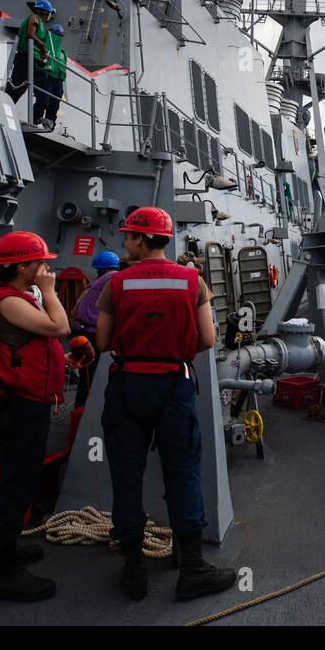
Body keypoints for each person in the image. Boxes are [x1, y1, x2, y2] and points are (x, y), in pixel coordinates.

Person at [95, 206, 235, 601]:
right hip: (174, 384)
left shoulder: (116, 283)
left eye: (128, 237)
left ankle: (135, 571)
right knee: (182, 473)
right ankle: (191, 569)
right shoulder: (194, 281)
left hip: (127, 387)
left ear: (142, 240)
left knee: (126, 475)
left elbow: (103, 343)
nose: (125, 242)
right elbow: (207, 340)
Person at [0, 231, 69, 602]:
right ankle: (6, 574)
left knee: (16, 478)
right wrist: (50, 290)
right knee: (18, 483)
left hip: (26, 400)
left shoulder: (14, 299)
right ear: (20, 266)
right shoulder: (8, 301)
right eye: (39, 262)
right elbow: (59, 327)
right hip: (19, 404)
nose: (46, 267)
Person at [71, 250, 119, 408]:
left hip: (81, 331)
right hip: (91, 334)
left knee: (86, 378)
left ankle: (79, 412)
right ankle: (83, 414)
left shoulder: (94, 283)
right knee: (91, 378)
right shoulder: (111, 278)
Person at [6, 0, 54, 109]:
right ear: (46, 12)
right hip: (24, 57)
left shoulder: (41, 24)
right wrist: (42, 47)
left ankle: (8, 106)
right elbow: (30, 34)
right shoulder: (35, 18)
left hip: (32, 59)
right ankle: (4, 105)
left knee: (23, 86)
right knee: (17, 85)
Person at [32, 21, 67, 130]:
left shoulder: (62, 53)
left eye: (61, 35)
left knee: (55, 101)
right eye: (58, 35)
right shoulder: (43, 47)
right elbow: (37, 58)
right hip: (44, 74)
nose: (60, 37)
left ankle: (50, 122)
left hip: (57, 79)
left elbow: (63, 68)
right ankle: (35, 119)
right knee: (43, 99)